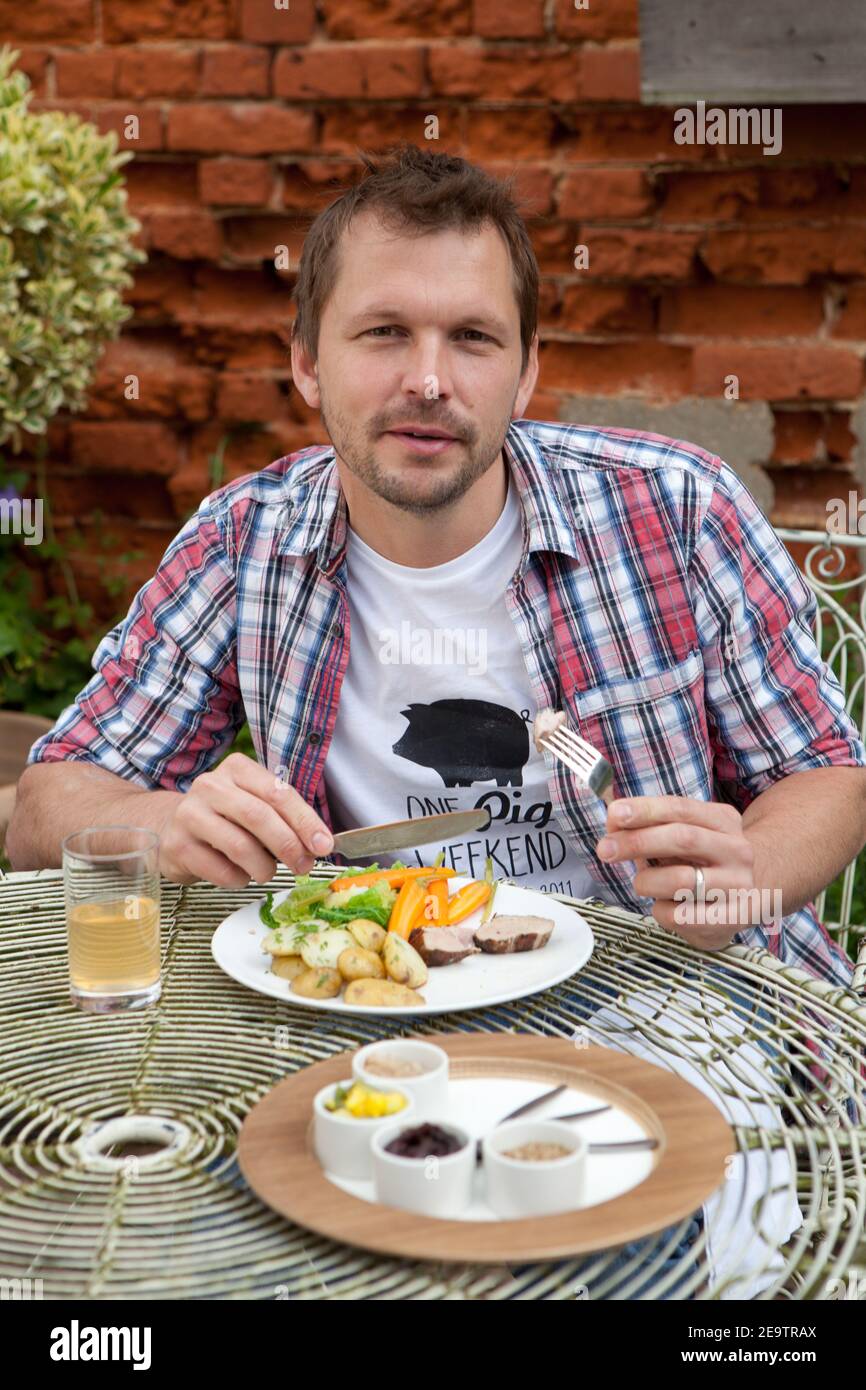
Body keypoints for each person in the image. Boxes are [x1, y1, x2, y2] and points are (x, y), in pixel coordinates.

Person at [8, 143, 866, 991]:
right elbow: (48, 804)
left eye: (472, 337)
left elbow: (832, 771)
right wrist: (166, 823)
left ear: (526, 371)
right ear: (307, 361)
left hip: (685, 998)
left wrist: (744, 875)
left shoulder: (678, 508)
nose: (428, 380)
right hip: (391, 1003)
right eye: (384, 332)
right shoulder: (244, 542)